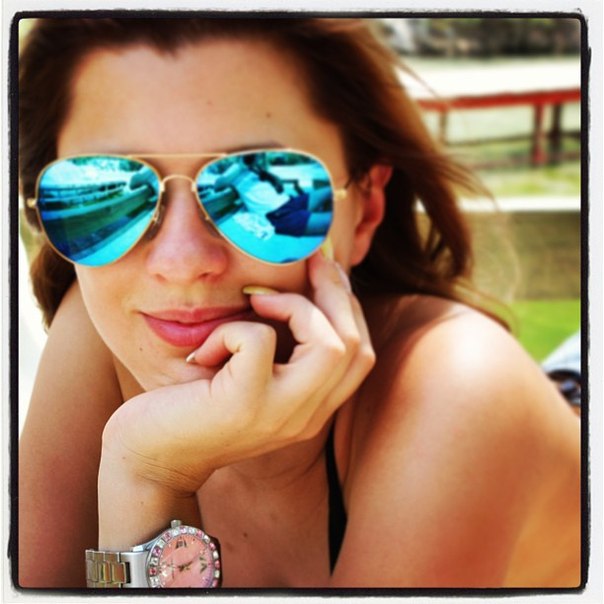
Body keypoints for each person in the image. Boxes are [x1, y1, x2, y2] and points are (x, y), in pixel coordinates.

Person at [17, 17, 581, 589]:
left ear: (367, 209)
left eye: (261, 188)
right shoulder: (101, 323)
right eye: (104, 194)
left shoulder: (459, 386)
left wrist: (147, 474)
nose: (181, 261)